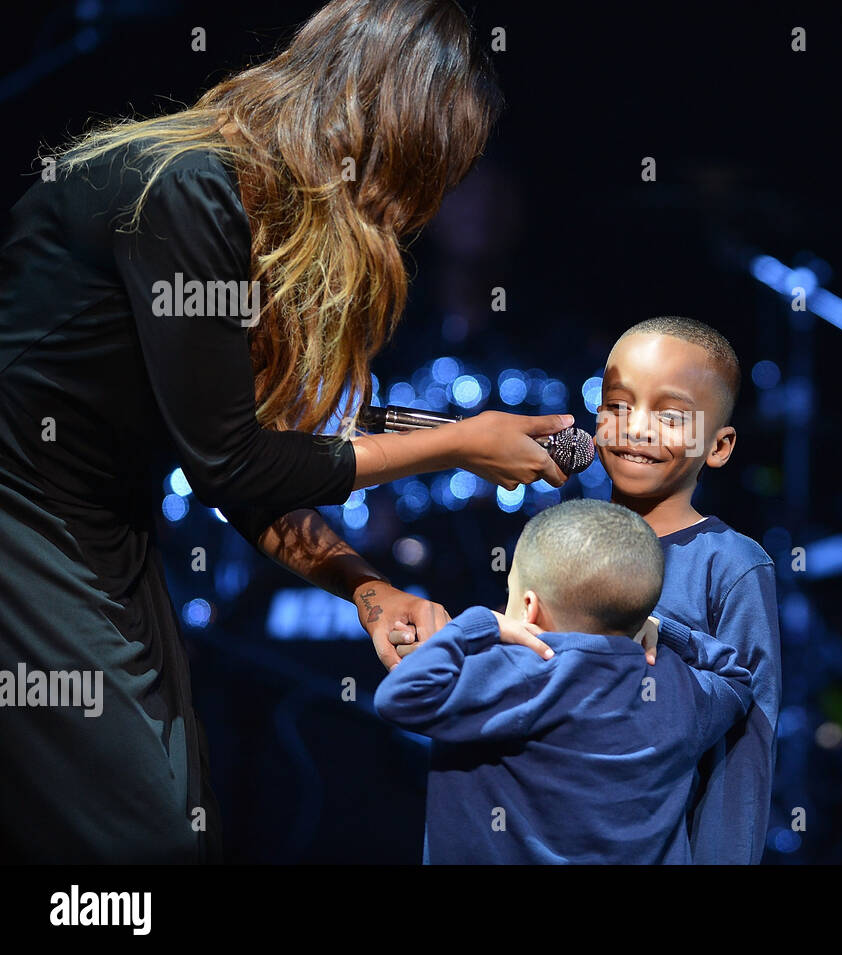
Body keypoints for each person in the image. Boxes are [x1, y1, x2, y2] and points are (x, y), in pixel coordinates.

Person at [0, 0, 566, 863]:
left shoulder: (242, 213)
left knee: (178, 822)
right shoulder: (181, 186)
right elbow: (233, 457)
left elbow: (244, 472)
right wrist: (458, 441)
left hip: (103, 535)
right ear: (381, 126)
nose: (428, 201)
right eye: (429, 164)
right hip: (23, 524)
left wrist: (367, 589)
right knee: (142, 847)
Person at [374, 499, 752, 863]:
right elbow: (736, 679)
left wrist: (477, 624)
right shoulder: (678, 686)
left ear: (528, 607)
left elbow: (400, 696)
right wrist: (661, 628)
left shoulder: (518, 671)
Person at [596, 316, 782, 864]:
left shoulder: (732, 565)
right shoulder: (557, 541)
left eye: (671, 415)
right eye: (619, 405)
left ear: (719, 446)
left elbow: (748, 745)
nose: (638, 428)